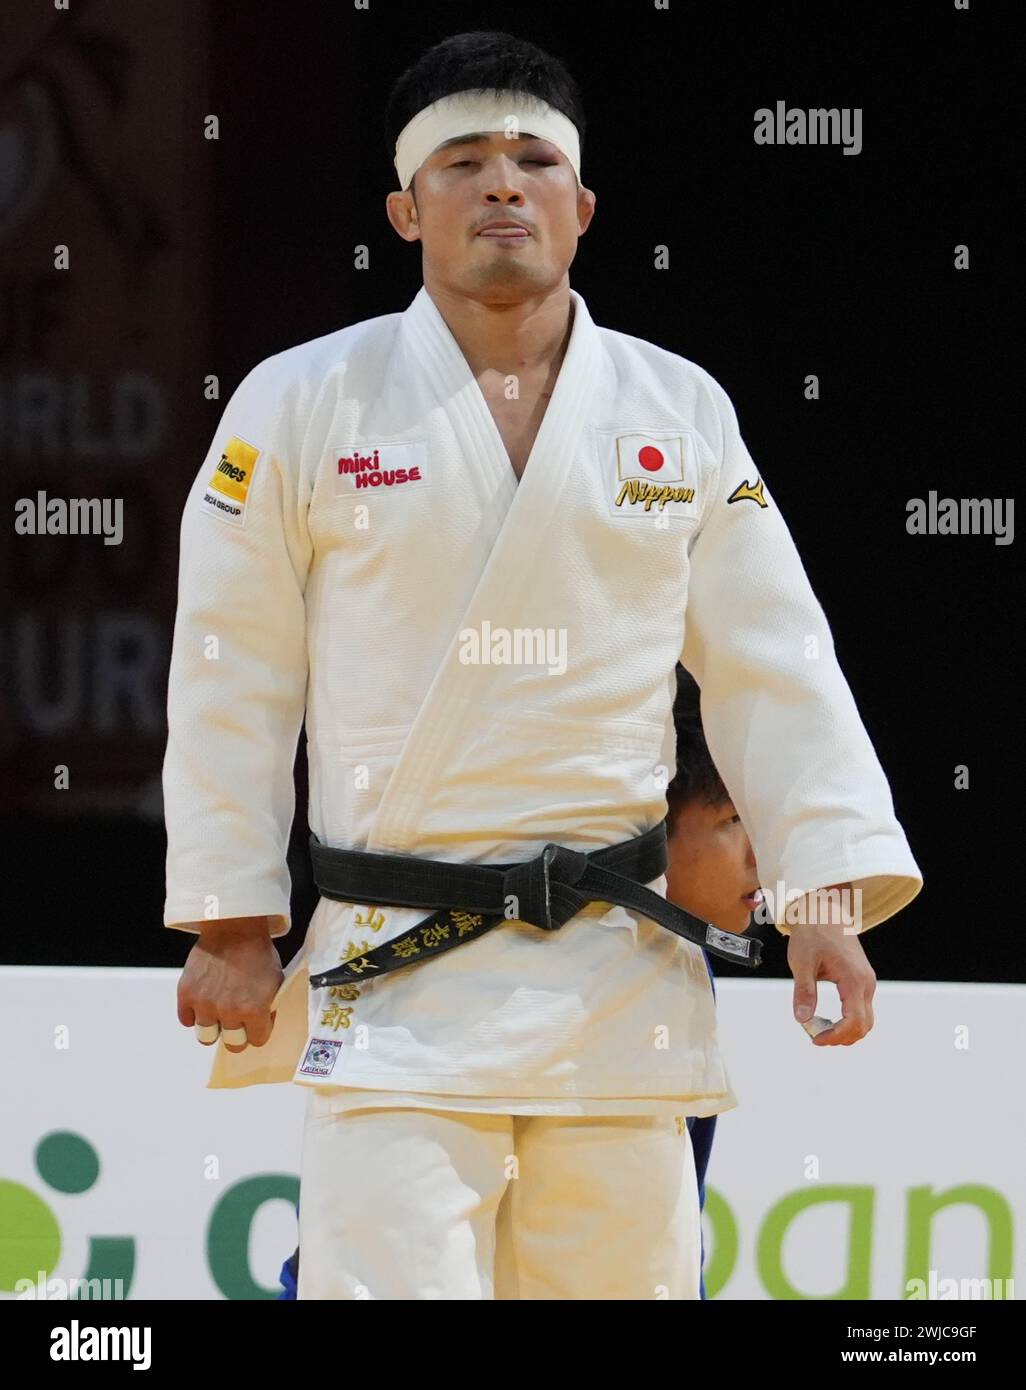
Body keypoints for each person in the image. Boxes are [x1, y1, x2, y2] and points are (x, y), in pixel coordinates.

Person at [166, 30, 922, 1299]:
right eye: (463, 161)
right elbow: (228, 670)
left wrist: (822, 899)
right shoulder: (303, 402)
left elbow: (776, 661)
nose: (503, 184)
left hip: (617, 991)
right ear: (407, 210)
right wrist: (233, 918)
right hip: (394, 983)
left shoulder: (676, 408)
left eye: (534, 160)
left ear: (583, 207)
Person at [274, 661, 758, 1300]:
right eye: (732, 821)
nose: (761, 854)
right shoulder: (514, 972)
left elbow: (662, 1243)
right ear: (648, 828)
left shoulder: (674, 975)